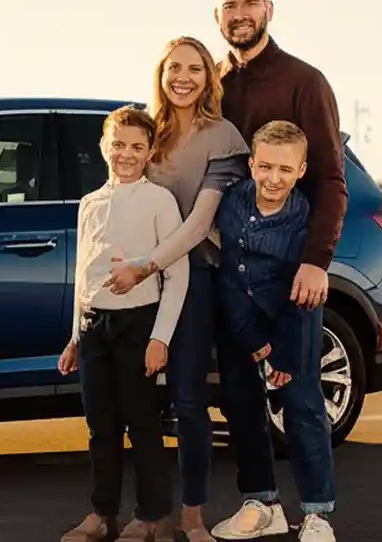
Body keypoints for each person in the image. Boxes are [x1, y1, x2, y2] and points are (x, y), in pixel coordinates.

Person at [208, 0, 343, 542]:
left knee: (301, 396)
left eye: (249, 3)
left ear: (268, 9)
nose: (239, 13)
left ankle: (316, 514)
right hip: (232, 264)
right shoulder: (213, 82)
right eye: (228, 6)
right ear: (217, 16)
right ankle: (262, 504)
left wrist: (316, 259)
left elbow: (332, 180)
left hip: (293, 270)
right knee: (239, 394)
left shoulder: (304, 81)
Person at [103, 36, 251, 542]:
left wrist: (145, 266)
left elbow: (197, 224)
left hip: (191, 280)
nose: (184, 77)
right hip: (135, 287)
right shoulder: (147, 132)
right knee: (140, 408)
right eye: (174, 68)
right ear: (161, 74)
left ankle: (191, 513)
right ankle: (150, 514)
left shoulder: (223, 136)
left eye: (195, 68)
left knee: (187, 402)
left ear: (209, 78)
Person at [57, 105, 189, 542]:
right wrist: (76, 337)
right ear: (103, 147)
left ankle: (151, 516)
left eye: (136, 146)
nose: (126, 154)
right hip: (95, 330)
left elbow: (178, 273)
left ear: (150, 151)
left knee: (142, 424)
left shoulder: (159, 201)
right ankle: (101, 514)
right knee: (101, 427)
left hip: (139, 327)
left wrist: (160, 338)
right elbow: (84, 274)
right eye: (118, 145)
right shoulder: (89, 204)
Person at [217, 122, 315, 391]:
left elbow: (296, 297)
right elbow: (228, 271)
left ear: (301, 171)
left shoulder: (303, 222)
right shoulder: (231, 201)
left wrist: (280, 351)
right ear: (251, 165)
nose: (273, 178)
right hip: (236, 318)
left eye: (285, 170)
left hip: (277, 320)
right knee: (238, 404)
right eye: (265, 167)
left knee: (291, 396)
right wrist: (254, 340)